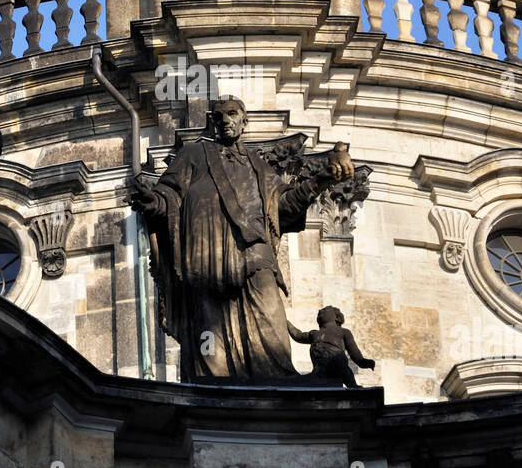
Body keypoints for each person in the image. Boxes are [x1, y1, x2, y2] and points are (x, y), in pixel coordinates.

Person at [129, 96, 355, 383]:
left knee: (270, 320)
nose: (225, 120)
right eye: (219, 116)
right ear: (212, 122)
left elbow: (283, 206)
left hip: (255, 254)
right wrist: (151, 200)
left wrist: (320, 179)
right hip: (206, 258)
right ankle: (211, 384)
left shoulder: (259, 166)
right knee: (208, 332)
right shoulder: (193, 155)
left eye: (232, 114)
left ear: (244, 120)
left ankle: (278, 382)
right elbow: (169, 197)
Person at [287, 306, 376, 388]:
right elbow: (298, 335)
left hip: (337, 364)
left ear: (336, 317)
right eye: (320, 312)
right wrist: (286, 322)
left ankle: (352, 385)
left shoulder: (344, 332)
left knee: (342, 366)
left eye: (326, 310)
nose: (321, 312)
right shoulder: (314, 333)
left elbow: (354, 353)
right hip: (320, 369)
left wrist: (364, 362)